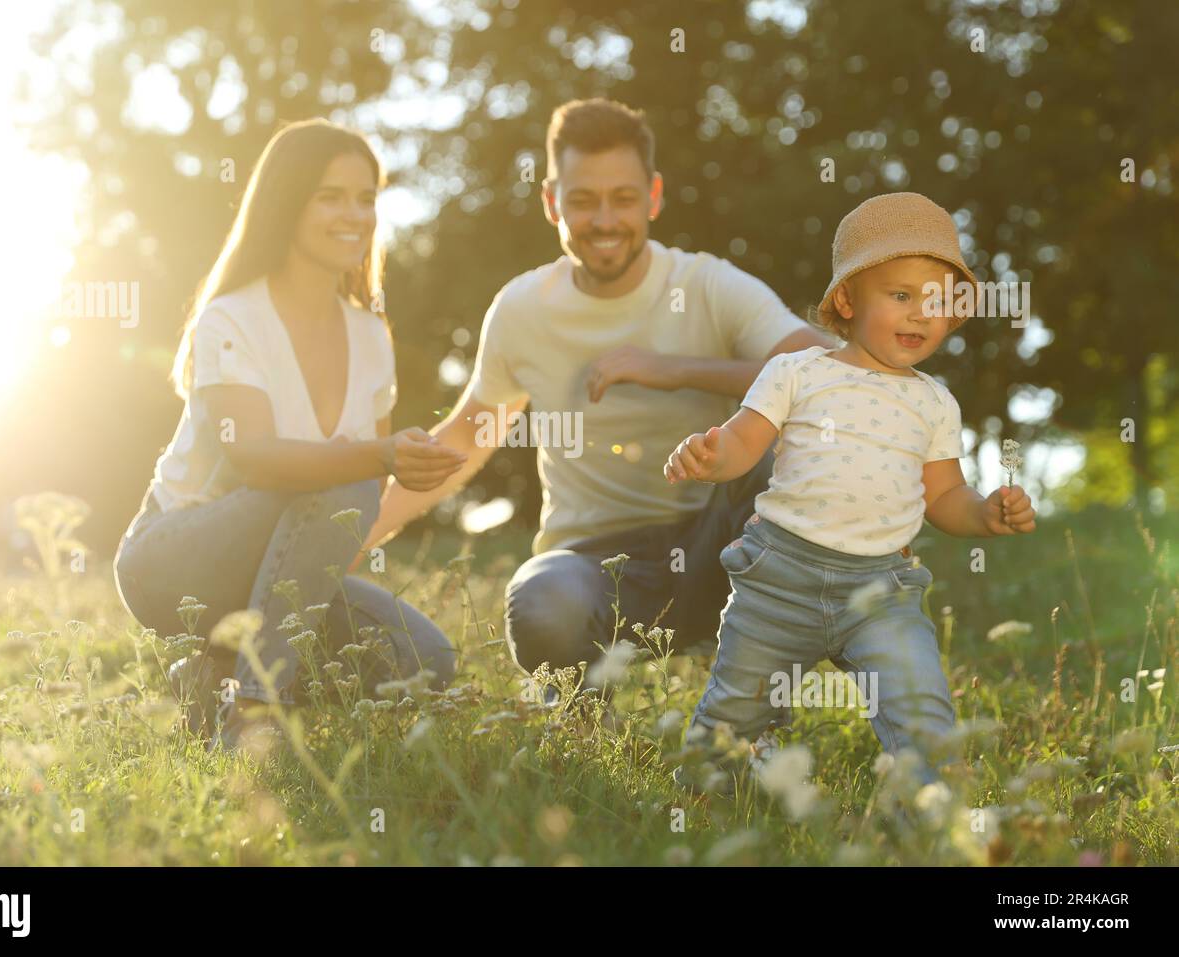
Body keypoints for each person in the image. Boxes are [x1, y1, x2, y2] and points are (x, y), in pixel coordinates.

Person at [361, 98, 832, 678]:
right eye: (583, 201)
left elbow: (828, 370)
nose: (604, 221)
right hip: (590, 565)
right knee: (542, 600)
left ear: (654, 197)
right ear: (551, 201)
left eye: (624, 199)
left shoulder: (705, 284)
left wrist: (680, 369)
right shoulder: (522, 309)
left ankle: (754, 711)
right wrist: (357, 538)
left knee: (793, 453)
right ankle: (587, 725)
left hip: (715, 550)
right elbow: (466, 436)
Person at [664, 191, 1038, 794]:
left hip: (882, 591)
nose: (921, 314)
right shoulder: (799, 372)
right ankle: (711, 800)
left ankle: (931, 816)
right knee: (732, 718)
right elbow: (742, 443)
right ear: (847, 297)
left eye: (938, 302)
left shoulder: (935, 402)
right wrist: (711, 456)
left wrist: (986, 513)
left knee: (922, 711)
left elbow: (943, 497)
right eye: (901, 296)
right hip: (780, 578)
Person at [113, 119, 463, 750]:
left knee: (425, 663)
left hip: (278, 574)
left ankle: (212, 675)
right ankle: (252, 714)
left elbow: (363, 491)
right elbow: (256, 460)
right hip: (172, 562)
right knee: (344, 472)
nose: (354, 214)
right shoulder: (234, 317)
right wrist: (381, 455)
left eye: (366, 198)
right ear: (287, 203)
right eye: (331, 195)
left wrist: (387, 466)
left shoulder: (370, 335)